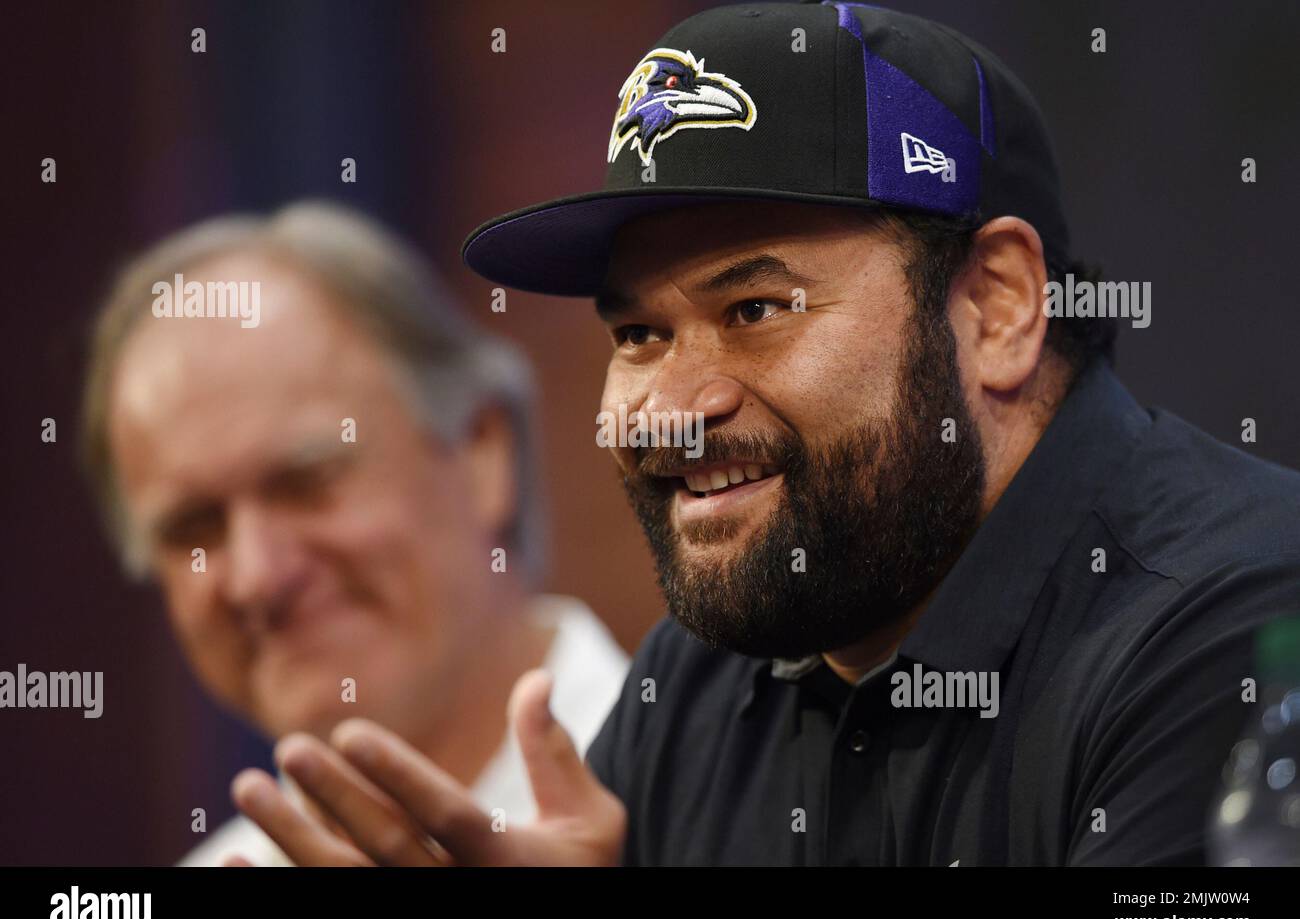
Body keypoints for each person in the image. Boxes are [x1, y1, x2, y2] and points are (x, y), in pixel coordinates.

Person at [224, 2, 1300, 865]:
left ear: (997, 307)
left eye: (756, 310)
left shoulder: (1242, 624)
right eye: (639, 331)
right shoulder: (699, 678)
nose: (675, 405)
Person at [80, 201, 628, 866]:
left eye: (307, 481)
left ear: (482, 450)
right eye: (195, 527)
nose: (259, 575)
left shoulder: (730, 804)